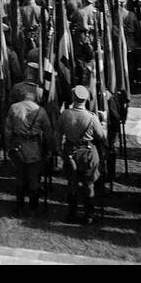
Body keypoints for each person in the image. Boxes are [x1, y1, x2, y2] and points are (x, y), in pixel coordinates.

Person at [3, 76, 54, 213]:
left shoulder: (13, 108)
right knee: (33, 178)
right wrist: (49, 150)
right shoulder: (41, 111)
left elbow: (7, 131)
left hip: (17, 146)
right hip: (34, 148)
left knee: (19, 177)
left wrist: (8, 147)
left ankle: (19, 206)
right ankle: (33, 207)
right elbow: (48, 133)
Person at [60, 84, 108, 224]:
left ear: (73, 97)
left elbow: (58, 134)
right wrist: (104, 122)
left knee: (72, 183)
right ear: (86, 100)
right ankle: (89, 215)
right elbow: (102, 137)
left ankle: (72, 213)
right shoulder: (92, 117)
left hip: (70, 152)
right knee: (89, 184)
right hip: (87, 153)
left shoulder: (65, 114)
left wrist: (59, 150)